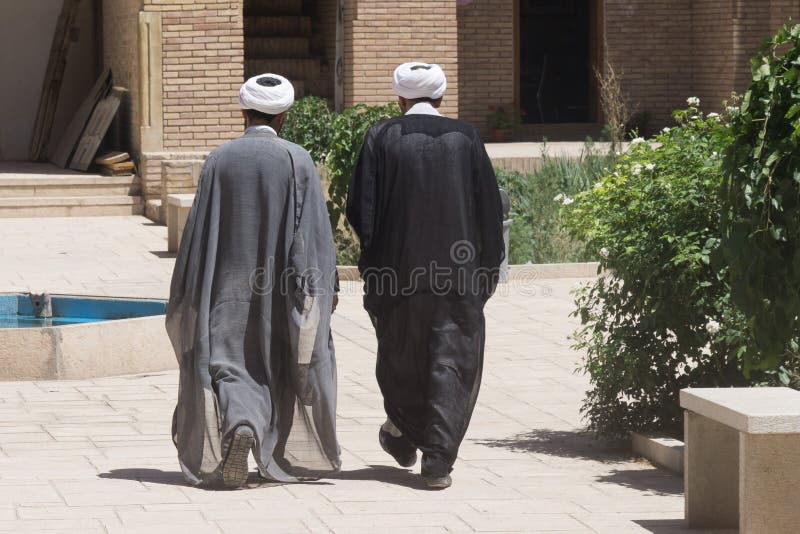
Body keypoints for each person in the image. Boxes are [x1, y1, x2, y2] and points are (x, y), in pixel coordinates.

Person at [166, 73, 341, 489]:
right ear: (283, 117)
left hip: (224, 288)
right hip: (278, 289)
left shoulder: (219, 159)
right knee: (274, 363)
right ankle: (256, 433)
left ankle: (241, 424)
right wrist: (323, 287)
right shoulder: (296, 159)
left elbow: (198, 232)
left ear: (243, 112)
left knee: (229, 362)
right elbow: (312, 235)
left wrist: (191, 287)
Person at [346, 62, 505, 489]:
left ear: (400, 99)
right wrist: (487, 268)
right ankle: (436, 459)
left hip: (397, 274)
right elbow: (489, 209)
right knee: (451, 361)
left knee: (402, 356)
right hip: (458, 275)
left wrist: (375, 260)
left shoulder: (382, 136)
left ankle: (403, 430)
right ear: (441, 96)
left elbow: (361, 208)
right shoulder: (465, 137)